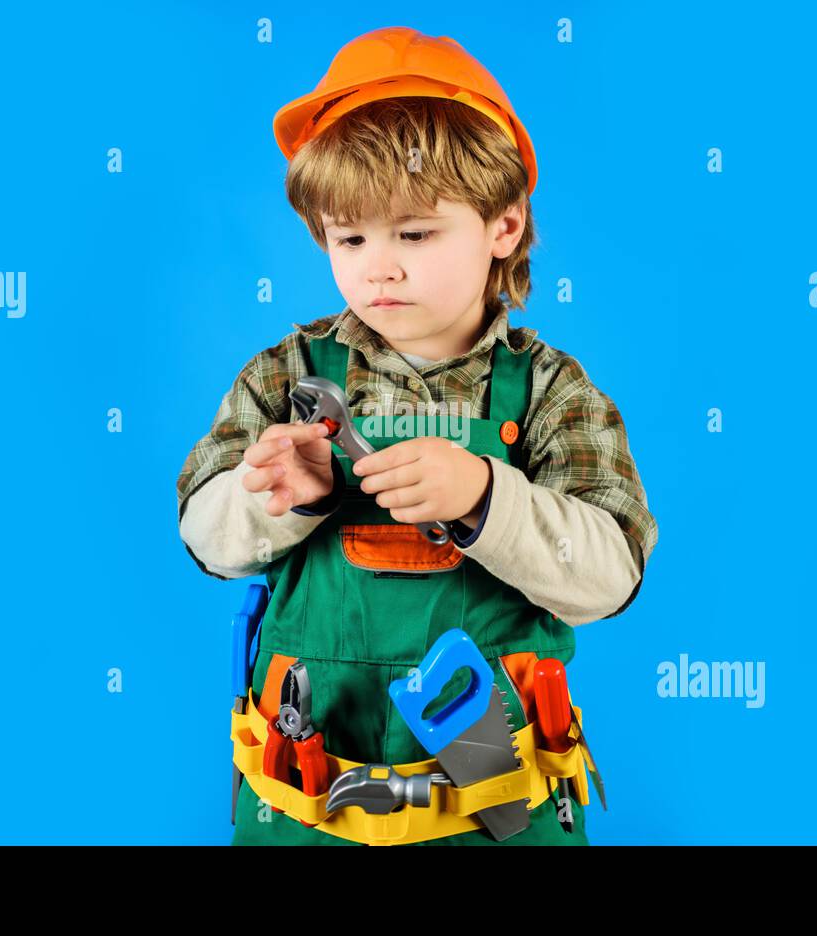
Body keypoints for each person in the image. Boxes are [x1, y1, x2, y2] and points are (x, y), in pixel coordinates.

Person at [177, 26, 657, 845]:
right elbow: (207, 540)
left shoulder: (550, 391)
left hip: (497, 807)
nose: (379, 268)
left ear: (502, 227)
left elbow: (608, 576)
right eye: (350, 237)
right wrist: (278, 501)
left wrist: (485, 501)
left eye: (415, 234)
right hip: (307, 798)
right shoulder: (283, 374)